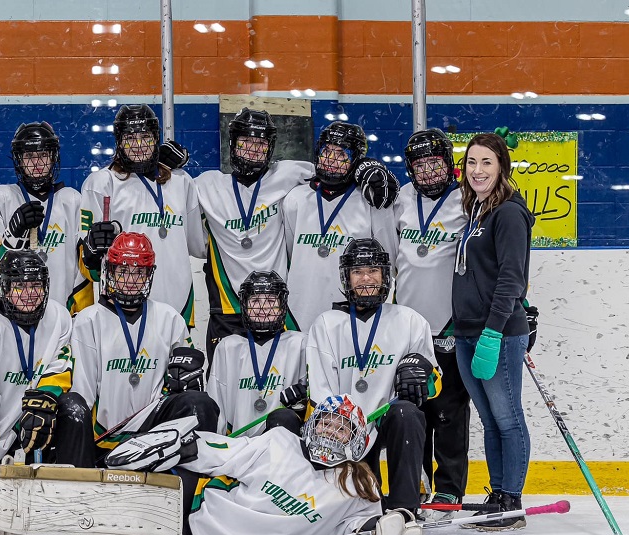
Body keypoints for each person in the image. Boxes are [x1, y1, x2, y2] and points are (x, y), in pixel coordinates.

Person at [107, 395, 433, 535]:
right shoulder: (280, 442)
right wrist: (184, 446)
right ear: (312, 425)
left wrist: (381, 530)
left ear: (358, 442)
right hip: (190, 524)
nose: (330, 432)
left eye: (341, 428)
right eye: (326, 423)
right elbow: (224, 452)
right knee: (127, 512)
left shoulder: (357, 488)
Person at [305, 238, 439, 513]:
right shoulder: (326, 324)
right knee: (360, 504)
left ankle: (405, 509)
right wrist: (346, 425)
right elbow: (321, 393)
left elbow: (435, 384)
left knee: (407, 413)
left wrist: (422, 377)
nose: (366, 279)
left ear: (385, 276)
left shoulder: (410, 320)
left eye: (373, 271)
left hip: (388, 421)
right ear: (346, 278)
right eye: (357, 272)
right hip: (343, 427)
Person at [69, 232, 217, 466]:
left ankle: (197, 487)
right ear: (110, 272)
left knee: (200, 403)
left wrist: (186, 381)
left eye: (139, 273)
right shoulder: (88, 321)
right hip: (105, 438)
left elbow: (185, 383)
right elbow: (83, 392)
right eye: (123, 271)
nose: (130, 279)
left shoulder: (170, 319)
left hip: (153, 437)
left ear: (149, 275)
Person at [0, 250, 91, 503]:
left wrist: (44, 398)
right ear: (4, 288)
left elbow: (62, 364)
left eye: (35, 285)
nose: (29, 293)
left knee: (74, 409)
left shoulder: (58, 317)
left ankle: (77, 499)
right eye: (19, 285)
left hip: (39, 429)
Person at [452, 132, 535, 530]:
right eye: (471, 162)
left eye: (486, 162)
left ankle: (512, 501)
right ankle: (498, 492)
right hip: (467, 332)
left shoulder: (508, 213)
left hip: (495, 333)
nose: (477, 170)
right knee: (489, 419)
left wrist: (494, 331)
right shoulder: (476, 211)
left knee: (508, 418)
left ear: (501, 165)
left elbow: (511, 279)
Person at [392, 129, 471, 515]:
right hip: (407, 326)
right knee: (413, 408)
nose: (426, 173)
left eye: (434, 164)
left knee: (449, 410)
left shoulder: (466, 200)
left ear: (448, 165)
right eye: (419, 166)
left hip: (450, 323)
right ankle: (417, 482)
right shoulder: (402, 199)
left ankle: (450, 489)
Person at [193, 108, 313, 359]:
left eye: (260, 142)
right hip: (227, 310)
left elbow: (333, 173)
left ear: (270, 148)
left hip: (274, 307)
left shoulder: (289, 174)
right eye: (246, 141)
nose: (252, 148)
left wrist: (366, 167)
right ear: (232, 144)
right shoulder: (207, 185)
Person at [79, 104, 205, 328]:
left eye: (145, 137)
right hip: (123, 304)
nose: (138, 145)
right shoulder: (101, 184)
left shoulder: (181, 181)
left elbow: (198, 245)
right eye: (130, 138)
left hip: (179, 301)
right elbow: (88, 263)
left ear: (156, 138)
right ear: (119, 142)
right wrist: (91, 250)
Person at [282, 121, 400, 332]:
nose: (331, 160)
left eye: (341, 154)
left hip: (355, 311)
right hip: (300, 309)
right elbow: (292, 253)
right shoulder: (295, 198)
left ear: (356, 160)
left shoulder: (371, 201)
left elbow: (387, 257)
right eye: (327, 151)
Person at [0, 122, 92, 314]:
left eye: (43, 155)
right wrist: (13, 234)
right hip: (13, 313)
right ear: (18, 160)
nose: (37, 163)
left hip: (62, 315)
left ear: (53, 157)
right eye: (29, 156)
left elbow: (85, 265)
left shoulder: (73, 200)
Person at [206, 270, 306, 437]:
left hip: (282, 443)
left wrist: (303, 397)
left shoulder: (300, 343)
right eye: (255, 300)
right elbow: (216, 402)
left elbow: (311, 395)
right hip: (238, 445)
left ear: (283, 305)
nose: (263, 307)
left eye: (271, 301)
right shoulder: (228, 347)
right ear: (244, 305)